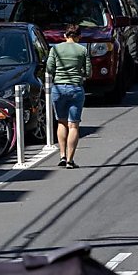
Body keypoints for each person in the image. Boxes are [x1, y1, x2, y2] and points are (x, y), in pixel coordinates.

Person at [44, 23, 90, 168]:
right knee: (74, 125)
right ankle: (70, 160)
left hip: (58, 88)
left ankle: (62, 156)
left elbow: (49, 68)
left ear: (65, 35)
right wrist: (79, 74)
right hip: (76, 88)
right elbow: (88, 72)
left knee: (61, 122)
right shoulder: (82, 50)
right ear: (79, 36)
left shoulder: (55, 49)